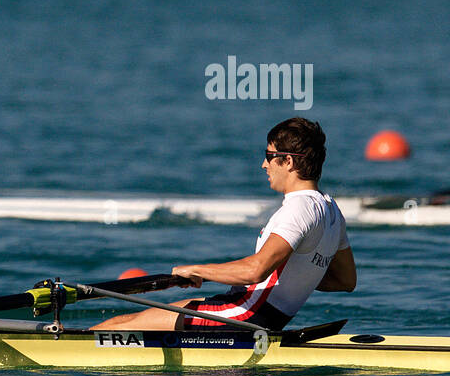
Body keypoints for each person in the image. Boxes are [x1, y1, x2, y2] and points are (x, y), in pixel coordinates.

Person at [91, 117, 356, 332]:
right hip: (255, 313)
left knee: (117, 326)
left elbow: (256, 270)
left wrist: (196, 270)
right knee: (135, 320)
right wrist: (298, 280)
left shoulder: (298, 209)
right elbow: (346, 280)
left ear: (288, 161)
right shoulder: (332, 211)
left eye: (268, 154)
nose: (264, 164)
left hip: (243, 314)